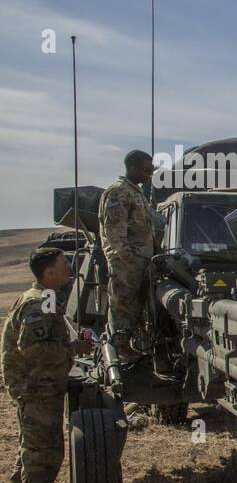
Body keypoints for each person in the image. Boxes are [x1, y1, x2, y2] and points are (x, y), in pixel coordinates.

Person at [1, 248, 88, 483]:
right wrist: (74, 348)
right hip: (36, 385)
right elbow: (31, 348)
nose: (69, 266)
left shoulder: (46, 297)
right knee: (45, 449)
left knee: (32, 444)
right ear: (49, 272)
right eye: (64, 263)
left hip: (37, 383)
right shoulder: (39, 302)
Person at [98, 150, 156, 363]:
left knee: (137, 304)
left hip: (140, 260)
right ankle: (120, 347)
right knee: (123, 302)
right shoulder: (118, 192)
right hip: (127, 262)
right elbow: (115, 232)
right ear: (133, 168)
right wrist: (126, 258)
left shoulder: (135, 192)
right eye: (147, 170)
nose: (149, 174)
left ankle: (133, 344)